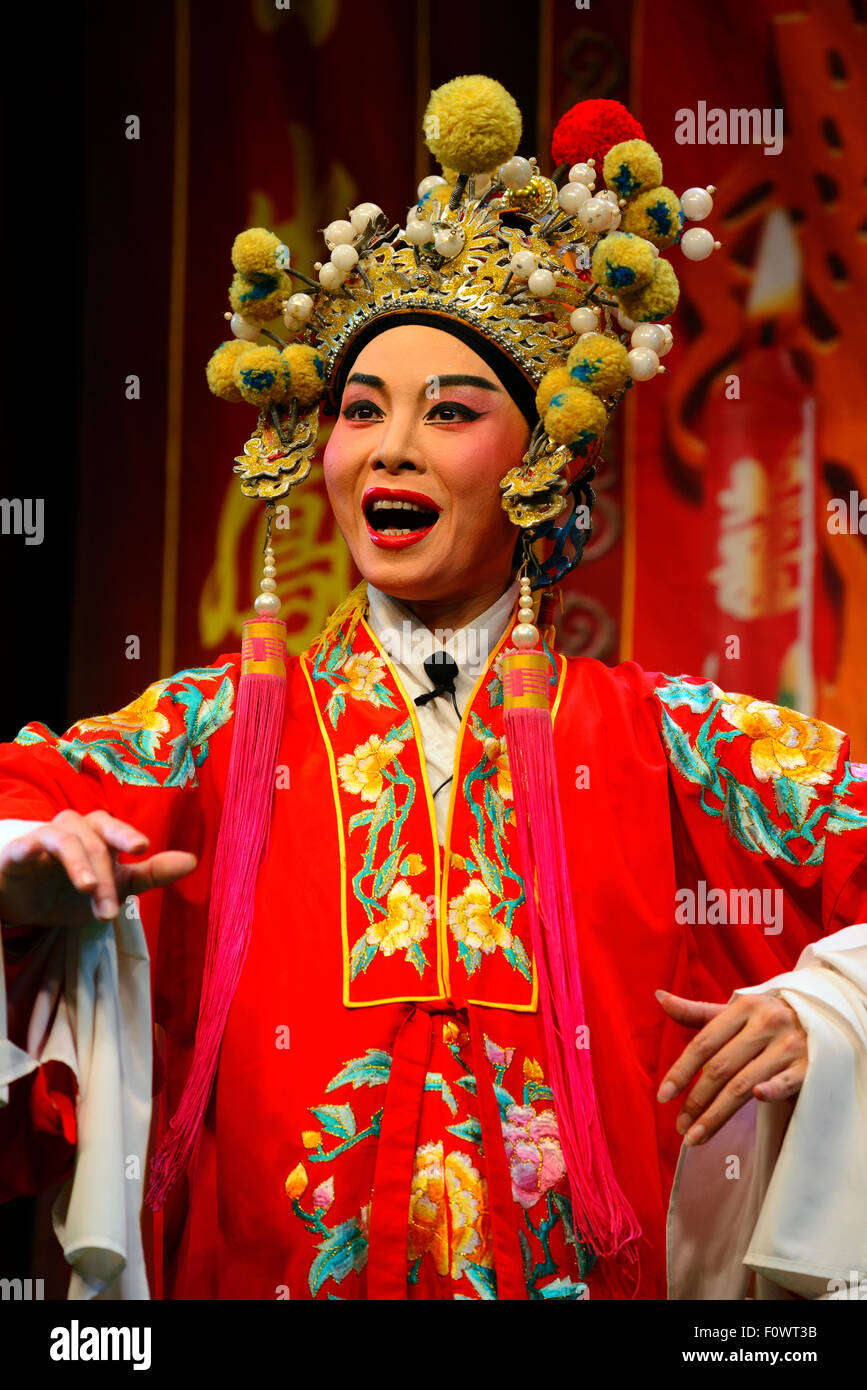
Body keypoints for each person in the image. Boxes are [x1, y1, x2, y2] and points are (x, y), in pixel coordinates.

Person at [1, 79, 865, 1303]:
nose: (392, 447)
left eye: (449, 412)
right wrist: (23, 880)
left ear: (540, 466)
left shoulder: (670, 739)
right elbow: (19, 796)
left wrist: (829, 1014)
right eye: (362, 411)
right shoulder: (218, 734)